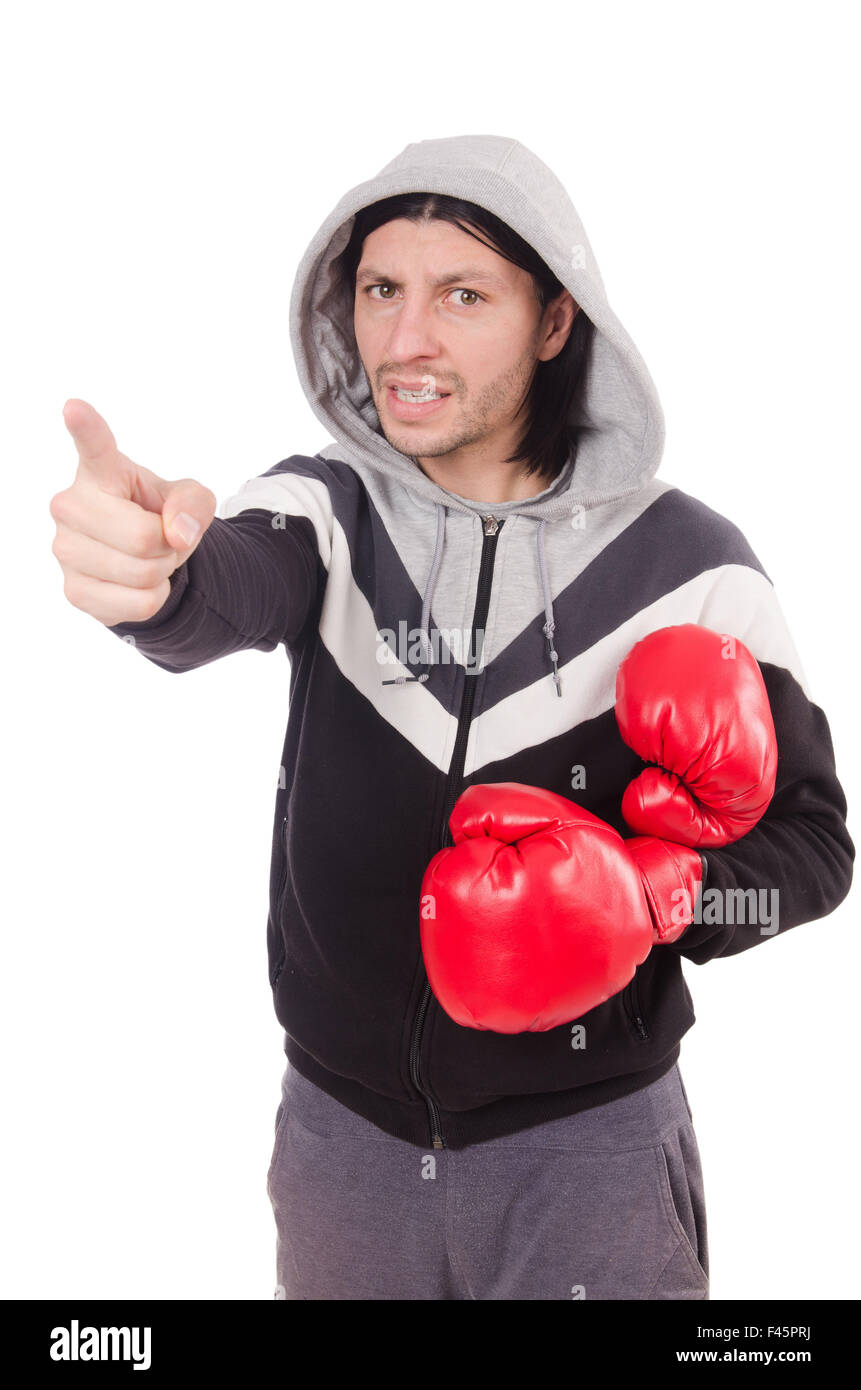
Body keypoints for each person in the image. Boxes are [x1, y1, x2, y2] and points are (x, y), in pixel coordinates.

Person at [50, 133, 853, 1301]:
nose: (404, 340)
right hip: (341, 1147)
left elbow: (816, 850)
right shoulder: (323, 509)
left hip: (590, 1154)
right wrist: (150, 573)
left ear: (555, 320)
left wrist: (658, 897)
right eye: (382, 290)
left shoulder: (695, 569)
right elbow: (216, 585)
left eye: (462, 294)